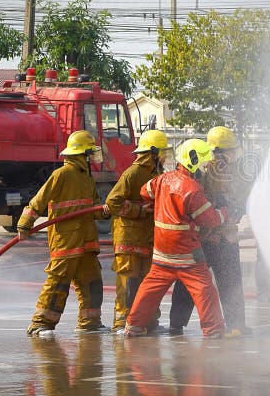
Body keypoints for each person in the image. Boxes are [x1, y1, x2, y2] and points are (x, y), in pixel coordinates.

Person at [123, 138, 229, 338]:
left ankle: (133, 326)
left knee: (150, 288)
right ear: (193, 161)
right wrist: (224, 213)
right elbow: (210, 220)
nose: (204, 168)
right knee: (204, 288)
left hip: (162, 249)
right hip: (186, 252)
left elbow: (144, 191)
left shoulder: (162, 179)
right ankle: (214, 330)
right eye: (203, 163)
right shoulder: (192, 189)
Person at [20, 130, 109, 336]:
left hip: (86, 241)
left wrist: (103, 211)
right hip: (66, 240)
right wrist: (25, 224)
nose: (92, 158)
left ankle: (90, 323)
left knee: (92, 283)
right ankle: (40, 324)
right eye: (89, 154)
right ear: (82, 155)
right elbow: (38, 200)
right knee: (58, 283)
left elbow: (93, 204)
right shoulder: (61, 174)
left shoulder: (86, 177)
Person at [169, 126, 251, 336]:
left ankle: (235, 325)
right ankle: (176, 324)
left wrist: (239, 207)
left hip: (224, 236)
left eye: (233, 151)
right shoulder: (201, 172)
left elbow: (242, 197)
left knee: (229, 281)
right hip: (206, 237)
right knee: (190, 281)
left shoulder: (235, 172)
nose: (233, 155)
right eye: (229, 151)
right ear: (217, 151)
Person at [105, 129, 171, 334]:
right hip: (129, 238)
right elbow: (112, 201)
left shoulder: (156, 173)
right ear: (152, 152)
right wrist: (138, 210)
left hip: (146, 238)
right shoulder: (133, 172)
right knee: (128, 282)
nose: (165, 156)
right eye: (162, 152)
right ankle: (121, 323)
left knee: (147, 283)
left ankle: (148, 322)